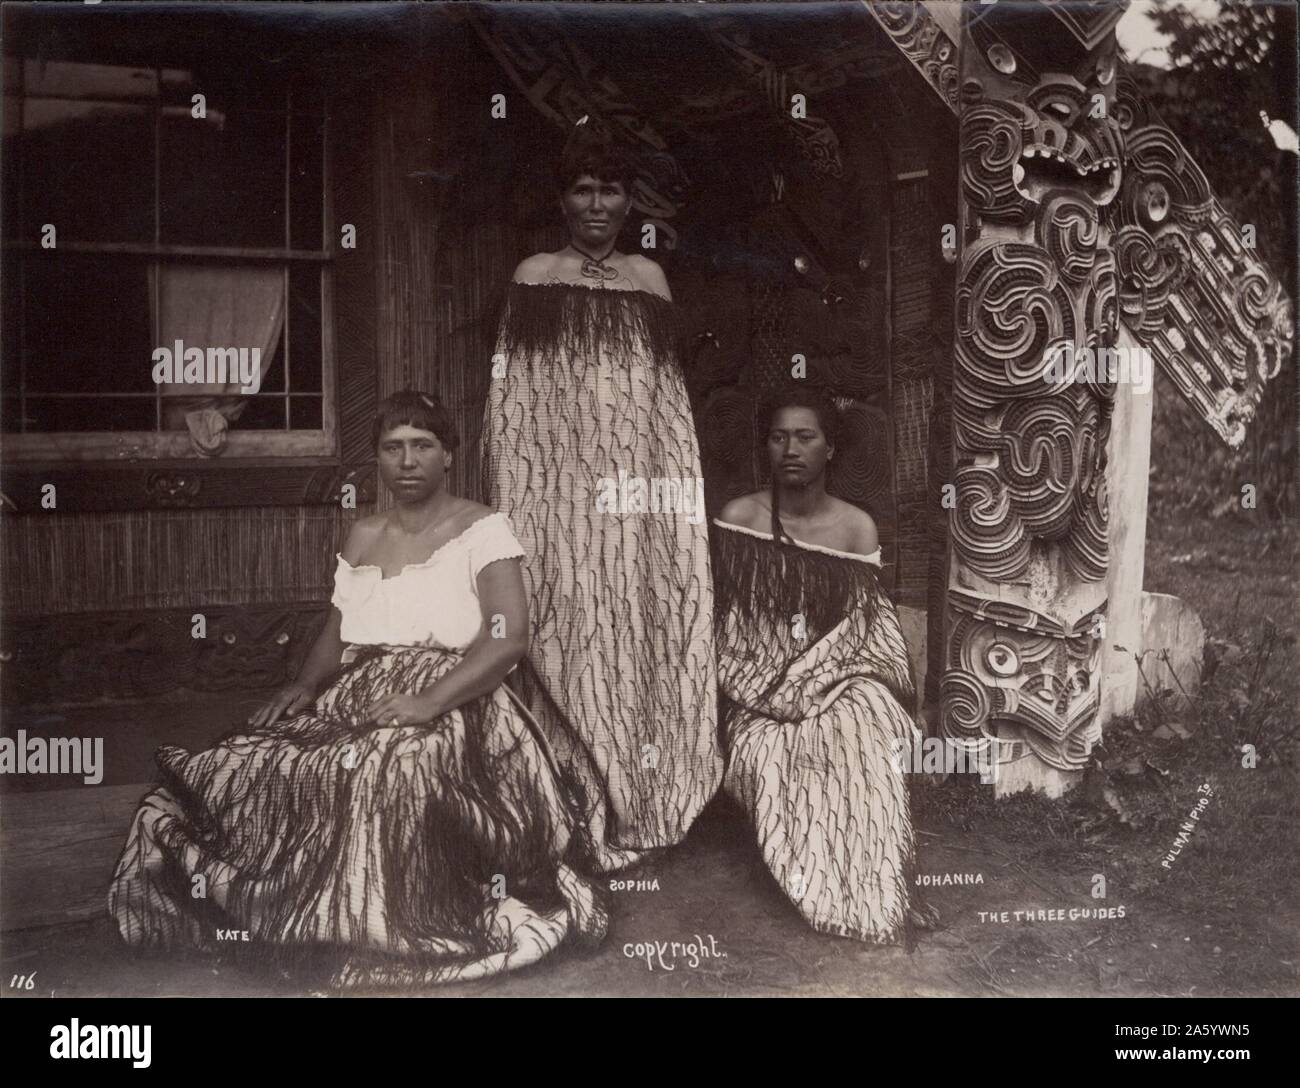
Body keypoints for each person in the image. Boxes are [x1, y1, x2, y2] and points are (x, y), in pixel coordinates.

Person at [108, 391, 605, 989]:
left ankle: (378, 928)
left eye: (423, 446)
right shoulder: (363, 533)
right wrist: (303, 684)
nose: (408, 461)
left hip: (457, 697)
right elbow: (341, 627)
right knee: (245, 764)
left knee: (385, 774)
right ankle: (281, 918)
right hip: (358, 692)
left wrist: (427, 702)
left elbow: (507, 639)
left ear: (450, 454)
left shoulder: (482, 528)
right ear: (377, 460)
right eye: (393, 448)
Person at [482, 125, 721, 871]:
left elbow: (667, 404)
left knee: (634, 620)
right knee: (561, 616)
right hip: (555, 491)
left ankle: (639, 794)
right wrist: (519, 497)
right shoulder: (535, 274)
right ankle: (567, 795)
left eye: (610, 190)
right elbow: (512, 401)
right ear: (562, 198)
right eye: (583, 189)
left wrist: (669, 495)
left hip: (636, 494)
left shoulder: (650, 281)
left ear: (629, 200)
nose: (596, 204)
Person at [712, 384, 922, 943]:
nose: (791, 449)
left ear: (830, 448)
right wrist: (780, 691)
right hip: (757, 690)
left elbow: (866, 632)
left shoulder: (856, 529)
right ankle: (829, 892)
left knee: (862, 725)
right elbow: (730, 631)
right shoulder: (742, 518)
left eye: (806, 436)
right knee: (784, 753)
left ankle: (876, 889)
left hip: (838, 679)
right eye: (779, 437)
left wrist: (821, 683)